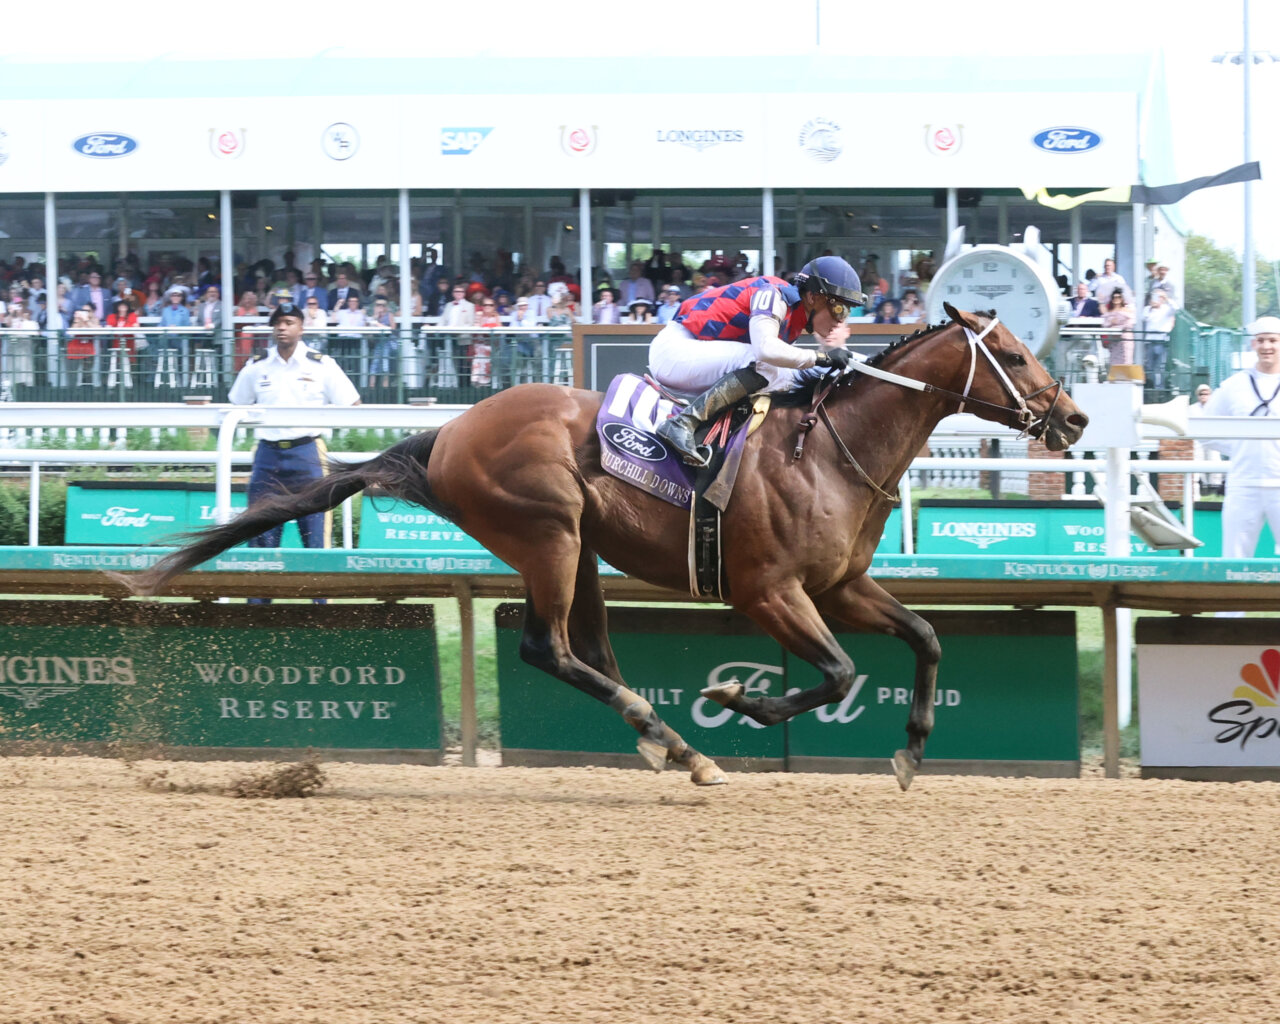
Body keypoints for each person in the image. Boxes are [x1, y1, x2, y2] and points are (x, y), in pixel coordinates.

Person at [650, 256, 864, 466]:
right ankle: (682, 423)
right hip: (675, 350)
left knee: (782, 375)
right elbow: (765, 350)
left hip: (692, 357)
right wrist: (821, 358)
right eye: (840, 309)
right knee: (768, 365)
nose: (841, 320)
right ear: (812, 296)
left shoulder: (793, 321)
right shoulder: (774, 293)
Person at [226, 301, 361, 604]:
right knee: (260, 537)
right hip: (267, 456)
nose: (282, 328)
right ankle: (257, 614)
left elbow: (352, 403)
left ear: (302, 328)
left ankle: (320, 613)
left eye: (289, 322)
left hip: (307, 455)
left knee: (315, 539)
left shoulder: (321, 365)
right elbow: (236, 403)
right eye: (278, 323)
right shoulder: (257, 366)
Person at [1201, 318, 1280, 564]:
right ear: (1253, 344)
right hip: (1243, 483)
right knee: (1234, 558)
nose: (1267, 346)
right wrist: (1239, 446)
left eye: (1273, 340)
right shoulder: (1234, 385)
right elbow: (1205, 429)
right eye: (1261, 340)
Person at [1189, 383, 1225, 497]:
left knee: (1214, 459)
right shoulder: (1192, 408)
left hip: (1212, 437)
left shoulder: (1215, 408)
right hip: (1197, 439)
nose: (1203, 396)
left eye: (1206, 393)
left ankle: (1215, 487)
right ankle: (1202, 486)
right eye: (1201, 394)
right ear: (1197, 395)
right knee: (1197, 460)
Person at [1142, 291, 1177, 390]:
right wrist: (1151, 307)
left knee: (1160, 366)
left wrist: (1166, 298)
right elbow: (1143, 317)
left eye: (1158, 297)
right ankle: (1151, 386)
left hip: (1161, 340)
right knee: (1149, 365)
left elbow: (1175, 308)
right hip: (1150, 340)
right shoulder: (1147, 309)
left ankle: (1159, 388)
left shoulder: (1166, 309)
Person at [1100, 289, 1136, 367]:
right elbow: (1105, 324)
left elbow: (1130, 323)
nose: (1116, 299)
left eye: (1118, 297)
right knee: (1114, 361)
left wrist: (1119, 326)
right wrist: (1111, 322)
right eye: (1114, 297)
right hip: (1113, 340)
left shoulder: (1127, 310)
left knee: (1126, 360)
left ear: (1122, 298)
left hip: (1125, 339)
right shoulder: (1109, 312)